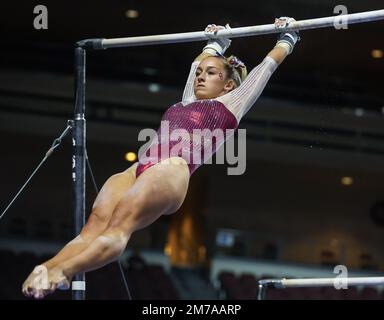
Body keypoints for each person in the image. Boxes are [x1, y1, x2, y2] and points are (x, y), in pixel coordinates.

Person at [22, 17, 300, 299]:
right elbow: (196, 65)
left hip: (172, 170)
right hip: (140, 168)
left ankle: (65, 271)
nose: (200, 76)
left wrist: (287, 38)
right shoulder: (186, 99)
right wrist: (217, 42)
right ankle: (47, 268)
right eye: (200, 73)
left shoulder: (232, 104)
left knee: (119, 226)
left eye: (211, 73)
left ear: (228, 85)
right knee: (92, 229)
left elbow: (265, 68)